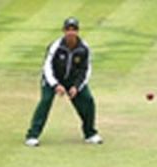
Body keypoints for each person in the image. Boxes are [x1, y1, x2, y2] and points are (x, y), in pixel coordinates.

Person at [25, 17, 101, 147]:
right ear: (63, 31)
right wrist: (55, 85)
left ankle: (90, 133)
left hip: (73, 80)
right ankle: (32, 135)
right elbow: (47, 67)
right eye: (68, 30)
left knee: (88, 101)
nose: (71, 33)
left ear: (77, 31)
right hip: (53, 78)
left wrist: (76, 87)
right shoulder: (55, 46)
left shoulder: (84, 48)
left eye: (73, 30)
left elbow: (85, 70)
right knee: (46, 101)